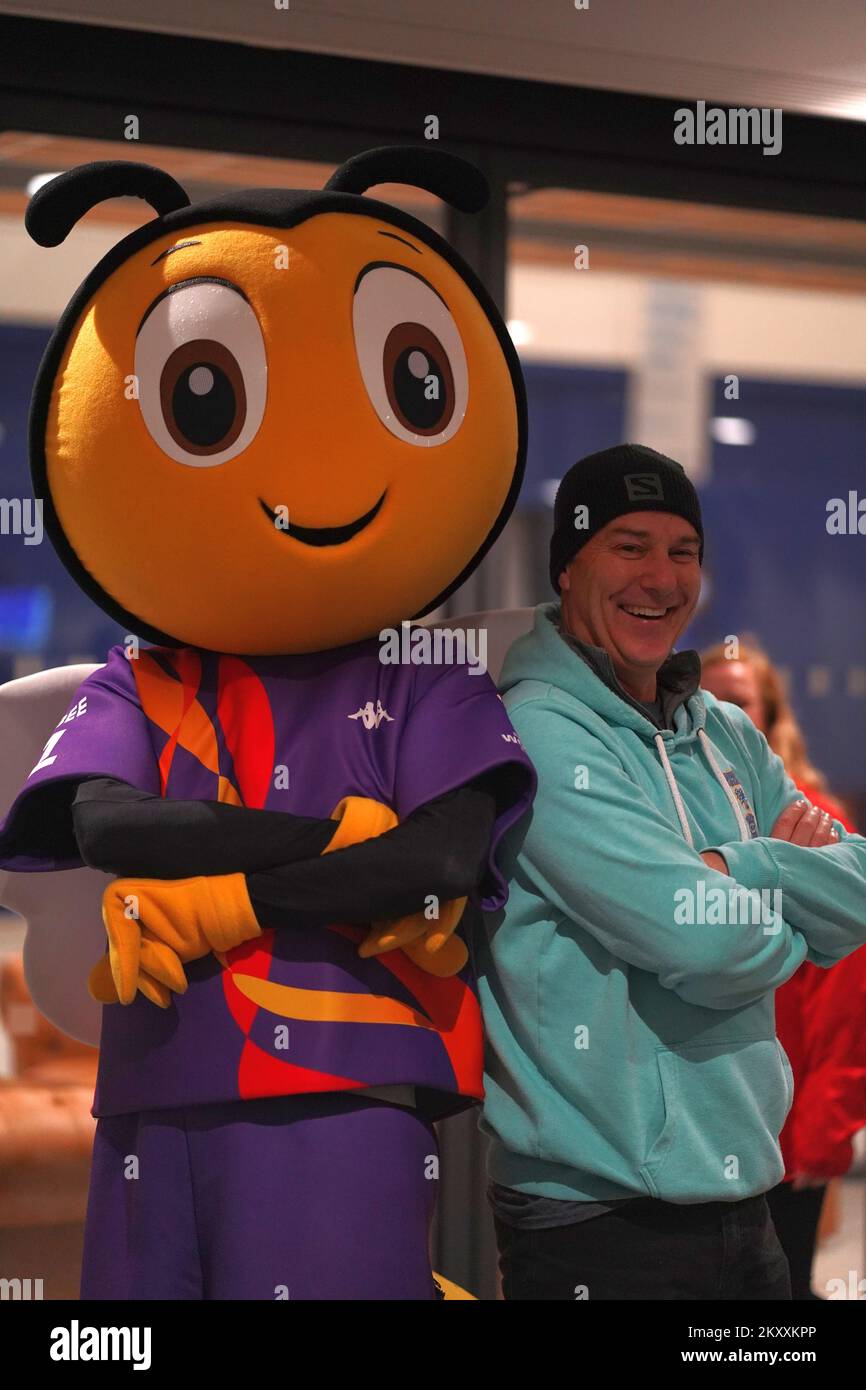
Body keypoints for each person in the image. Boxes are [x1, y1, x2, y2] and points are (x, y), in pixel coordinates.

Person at [0, 146, 536, 1300]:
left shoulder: (427, 674)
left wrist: (224, 897)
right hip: (151, 1088)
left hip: (347, 1084)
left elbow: (440, 856)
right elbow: (110, 826)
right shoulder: (142, 677)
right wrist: (340, 845)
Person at [473, 442, 866, 1300]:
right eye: (630, 546)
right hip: (596, 1219)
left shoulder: (723, 732)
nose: (661, 577)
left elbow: (859, 889)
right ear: (568, 568)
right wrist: (788, 906)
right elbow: (704, 941)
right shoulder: (538, 735)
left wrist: (732, 867)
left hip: (743, 1196)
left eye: (682, 551)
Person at [701, 639, 866, 1300]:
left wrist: (826, 1119)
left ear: (768, 716)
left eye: (739, 702)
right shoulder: (676, 821)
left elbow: (847, 995)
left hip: (789, 1118)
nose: (722, 714)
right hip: (708, 1110)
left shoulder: (818, 821)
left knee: (781, 1291)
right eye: (708, 700)